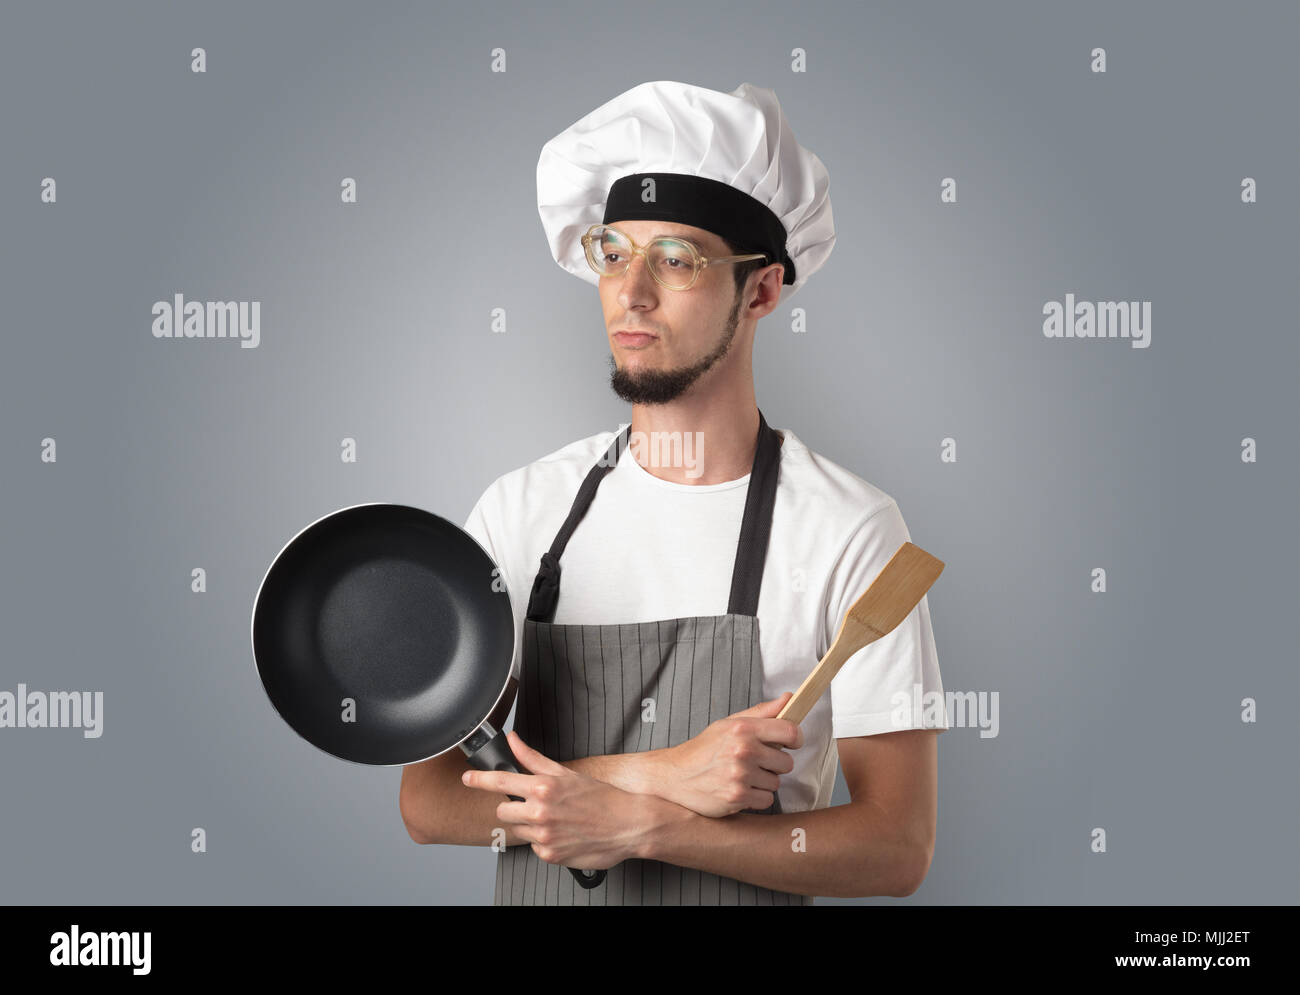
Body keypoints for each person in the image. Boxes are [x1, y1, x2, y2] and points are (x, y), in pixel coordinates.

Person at [399, 80, 948, 905]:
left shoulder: (848, 529)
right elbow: (429, 797)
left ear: (760, 290)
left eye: (678, 259)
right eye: (614, 253)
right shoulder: (523, 513)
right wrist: (659, 772)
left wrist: (651, 825)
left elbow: (896, 845)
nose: (633, 290)